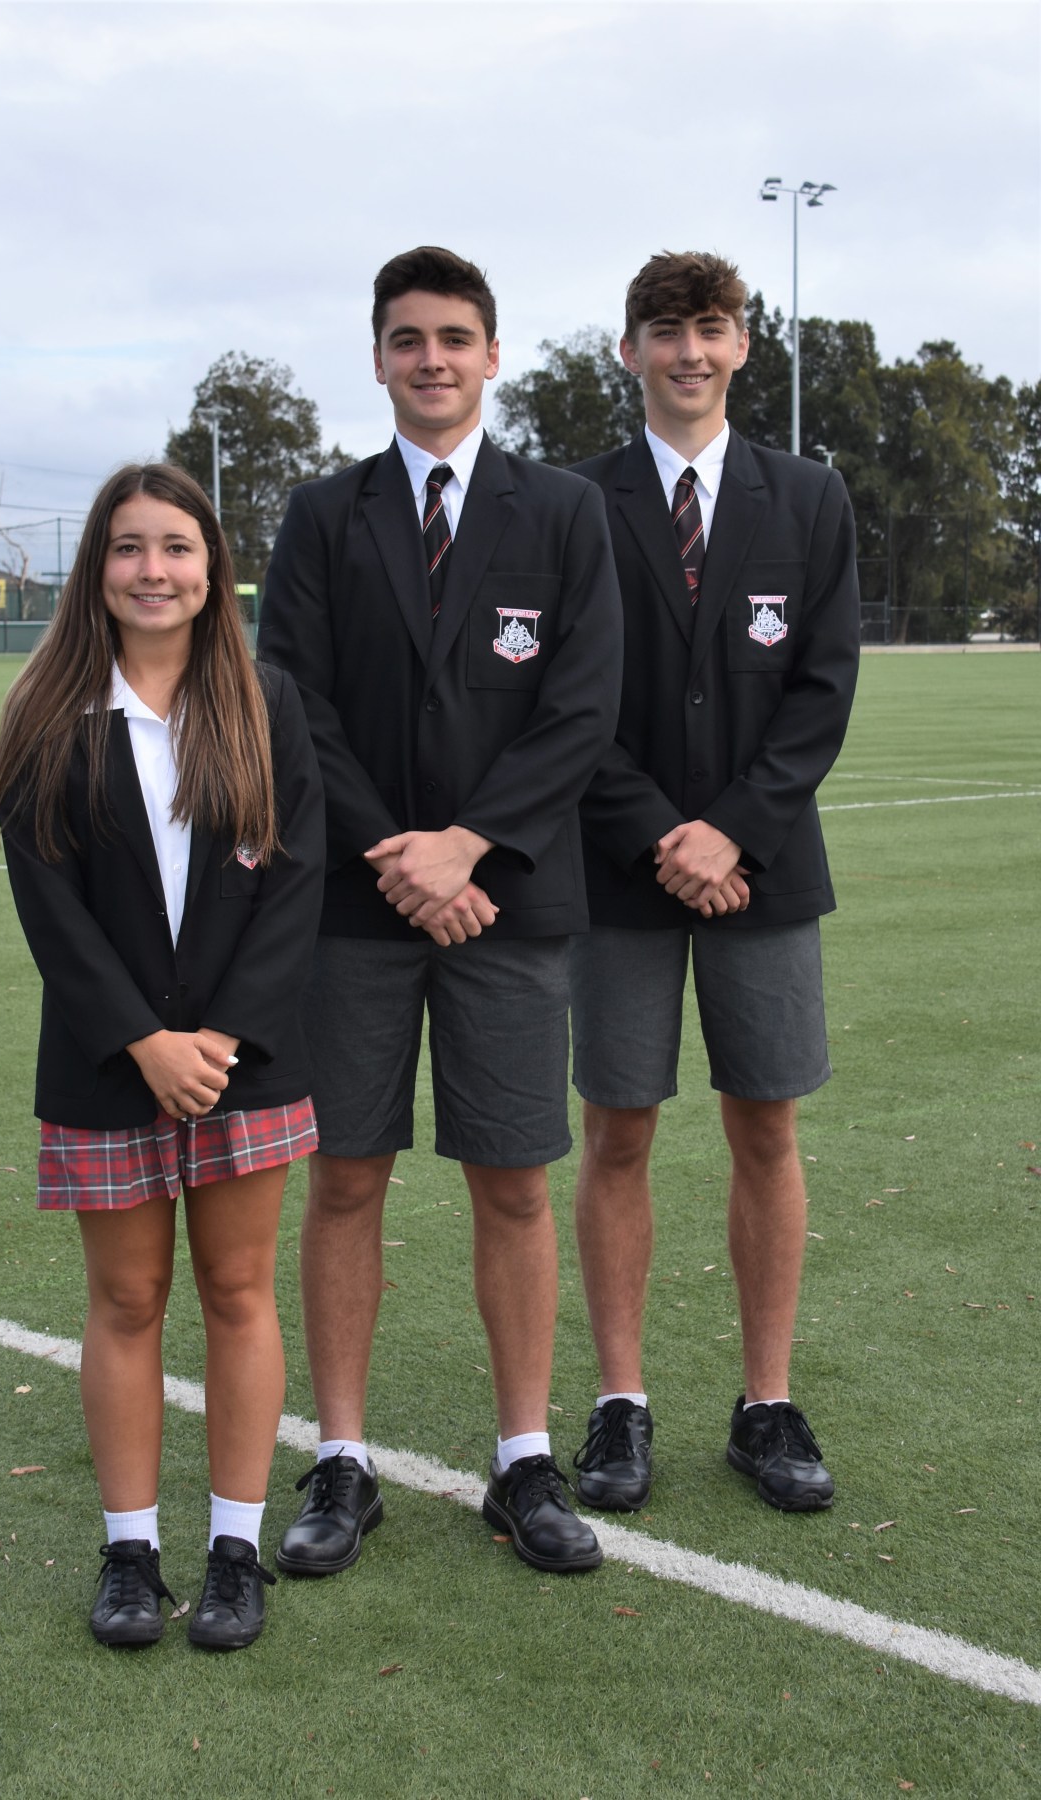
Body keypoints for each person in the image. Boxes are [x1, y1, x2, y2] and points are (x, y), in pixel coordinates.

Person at [258, 246, 622, 1576]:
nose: (431, 359)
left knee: (514, 1186)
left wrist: (466, 847)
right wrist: (395, 857)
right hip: (354, 912)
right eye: (407, 338)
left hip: (509, 906)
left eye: (454, 337)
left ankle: (523, 1458)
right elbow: (291, 699)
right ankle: (342, 1458)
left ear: (491, 354)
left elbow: (583, 704)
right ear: (377, 357)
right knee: (346, 1179)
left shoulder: (565, 513)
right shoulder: (323, 513)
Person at [0, 462, 325, 1649]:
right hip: (105, 1063)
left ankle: (236, 1548)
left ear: (212, 568)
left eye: (176, 548)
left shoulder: (266, 701)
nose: (153, 571)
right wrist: (143, 1041)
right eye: (128, 549)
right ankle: (130, 1553)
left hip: (244, 1063)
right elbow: (50, 905)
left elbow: (296, 882)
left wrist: (217, 1040)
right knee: (127, 1299)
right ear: (98, 569)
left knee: (238, 1291)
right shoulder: (46, 709)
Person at [568, 251, 860, 1515]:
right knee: (618, 1131)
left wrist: (732, 831)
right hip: (620, 875)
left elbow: (824, 688)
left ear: (745, 346)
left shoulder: (809, 497)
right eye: (664, 329)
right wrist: (659, 834)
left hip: (766, 872)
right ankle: (620, 1404)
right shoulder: (571, 503)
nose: (689, 349)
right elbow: (564, 699)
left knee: (766, 1126)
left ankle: (764, 1402)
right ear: (627, 349)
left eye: (712, 327)